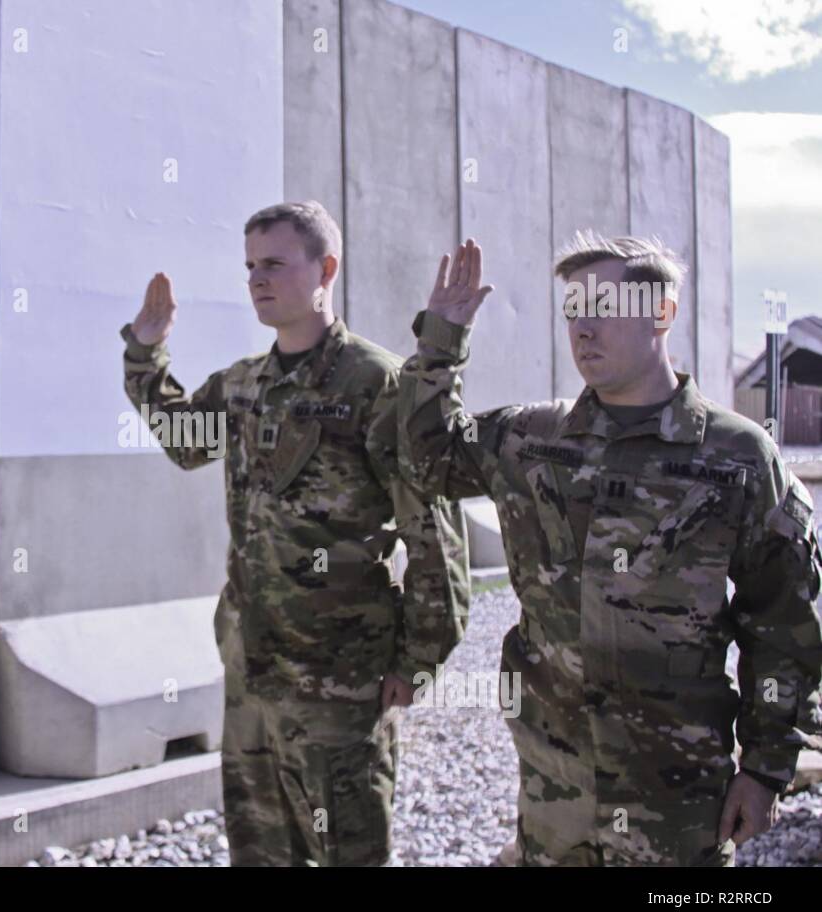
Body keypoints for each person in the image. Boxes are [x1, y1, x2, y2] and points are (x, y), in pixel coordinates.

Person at [397, 231, 822, 865]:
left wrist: (763, 770)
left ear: (662, 313)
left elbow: (783, 625)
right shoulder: (531, 438)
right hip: (553, 789)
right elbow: (424, 459)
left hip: (675, 799)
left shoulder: (735, 456)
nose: (584, 328)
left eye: (603, 306)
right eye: (574, 310)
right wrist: (440, 341)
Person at [121, 201, 470, 866]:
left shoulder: (377, 383)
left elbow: (433, 533)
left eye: (275, 263)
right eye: (251, 266)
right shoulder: (245, 383)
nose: (257, 279)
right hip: (252, 674)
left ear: (325, 269)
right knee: (260, 853)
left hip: (338, 680)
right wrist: (145, 355)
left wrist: (418, 657)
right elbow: (186, 441)